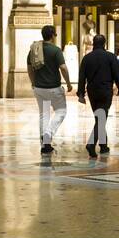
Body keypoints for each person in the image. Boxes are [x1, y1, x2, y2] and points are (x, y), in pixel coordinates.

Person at [77, 33, 119, 156]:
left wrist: (81, 94)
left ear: (93, 43)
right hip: (105, 90)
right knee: (101, 118)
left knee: (99, 117)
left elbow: (82, 77)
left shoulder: (86, 58)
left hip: (92, 91)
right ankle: (91, 143)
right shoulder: (110, 56)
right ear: (105, 44)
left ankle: (103, 146)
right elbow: (117, 74)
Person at [27, 24, 72, 154]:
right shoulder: (55, 50)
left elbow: (29, 68)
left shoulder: (34, 49)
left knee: (44, 114)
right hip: (54, 88)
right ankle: (48, 134)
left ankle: (45, 145)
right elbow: (63, 67)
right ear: (52, 35)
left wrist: (33, 83)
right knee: (61, 111)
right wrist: (68, 84)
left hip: (39, 88)